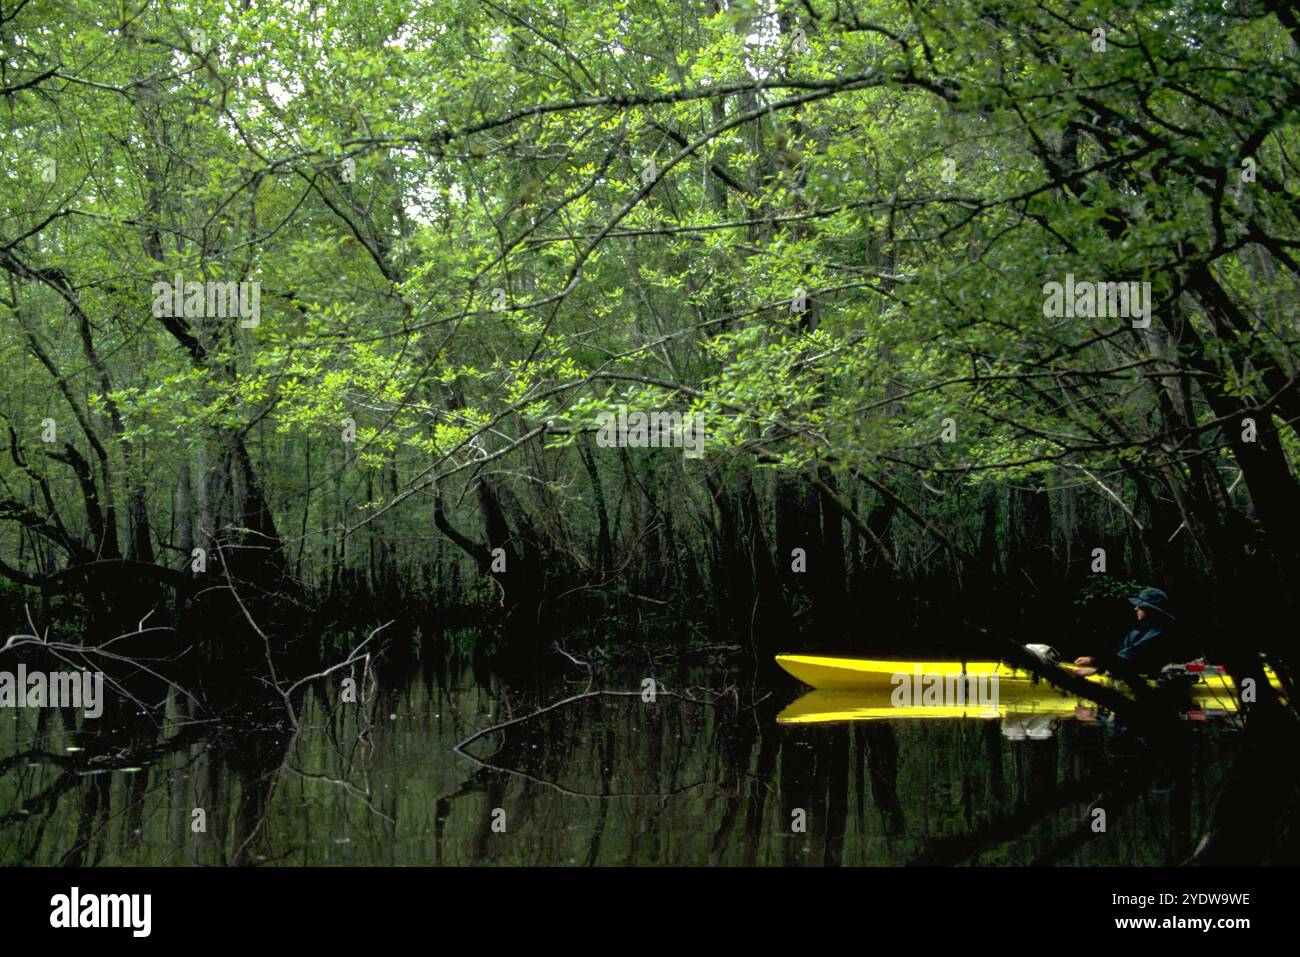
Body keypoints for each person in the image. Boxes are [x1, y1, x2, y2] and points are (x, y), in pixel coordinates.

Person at [1073, 587, 1182, 678]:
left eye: (1140, 606)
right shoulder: (1143, 628)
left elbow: (1133, 655)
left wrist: (1097, 669)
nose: (1136, 608)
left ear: (1151, 609)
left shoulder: (1159, 632)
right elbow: (1123, 650)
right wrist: (1094, 660)